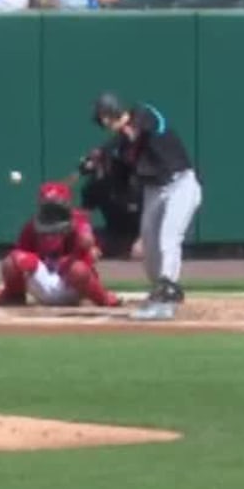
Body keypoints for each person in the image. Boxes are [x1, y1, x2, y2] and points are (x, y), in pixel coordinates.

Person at [91, 92, 201, 320]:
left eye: (104, 117)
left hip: (180, 184)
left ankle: (167, 292)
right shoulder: (121, 147)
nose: (103, 122)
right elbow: (118, 172)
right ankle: (162, 289)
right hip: (153, 191)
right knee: (149, 246)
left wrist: (110, 145)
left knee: (168, 239)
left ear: (112, 112)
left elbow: (138, 129)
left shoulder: (144, 113)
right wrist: (97, 162)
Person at [0, 181, 123, 310]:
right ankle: (13, 296)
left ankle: (103, 298)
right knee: (12, 261)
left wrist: (88, 244)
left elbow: (88, 241)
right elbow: (17, 258)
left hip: (71, 284)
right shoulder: (32, 225)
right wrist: (9, 284)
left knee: (78, 269)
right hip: (43, 279)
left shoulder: (78, 221)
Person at [76, 136, 142, 260]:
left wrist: (142, 240)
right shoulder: (94, 186)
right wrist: (89, 244)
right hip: (113, 233)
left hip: (142, 234)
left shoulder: (136, 183)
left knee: (139, 252)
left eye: (101, 161)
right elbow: (83, 218)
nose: (97, 166)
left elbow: (155, 218)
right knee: (82, 243)